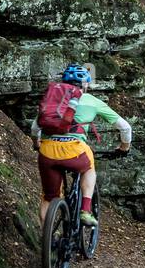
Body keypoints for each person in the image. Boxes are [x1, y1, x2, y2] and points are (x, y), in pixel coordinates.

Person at [32, 64, 131, 226]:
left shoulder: (53, 99)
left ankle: (47, 240)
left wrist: (36, 144)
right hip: (75, 150)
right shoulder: (92, 101)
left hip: (48, 151)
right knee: (89, 168)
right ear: (85, 84)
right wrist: (124, 147)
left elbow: (35, 128)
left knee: (49, 197)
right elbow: (125, 127)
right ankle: (85, 210)